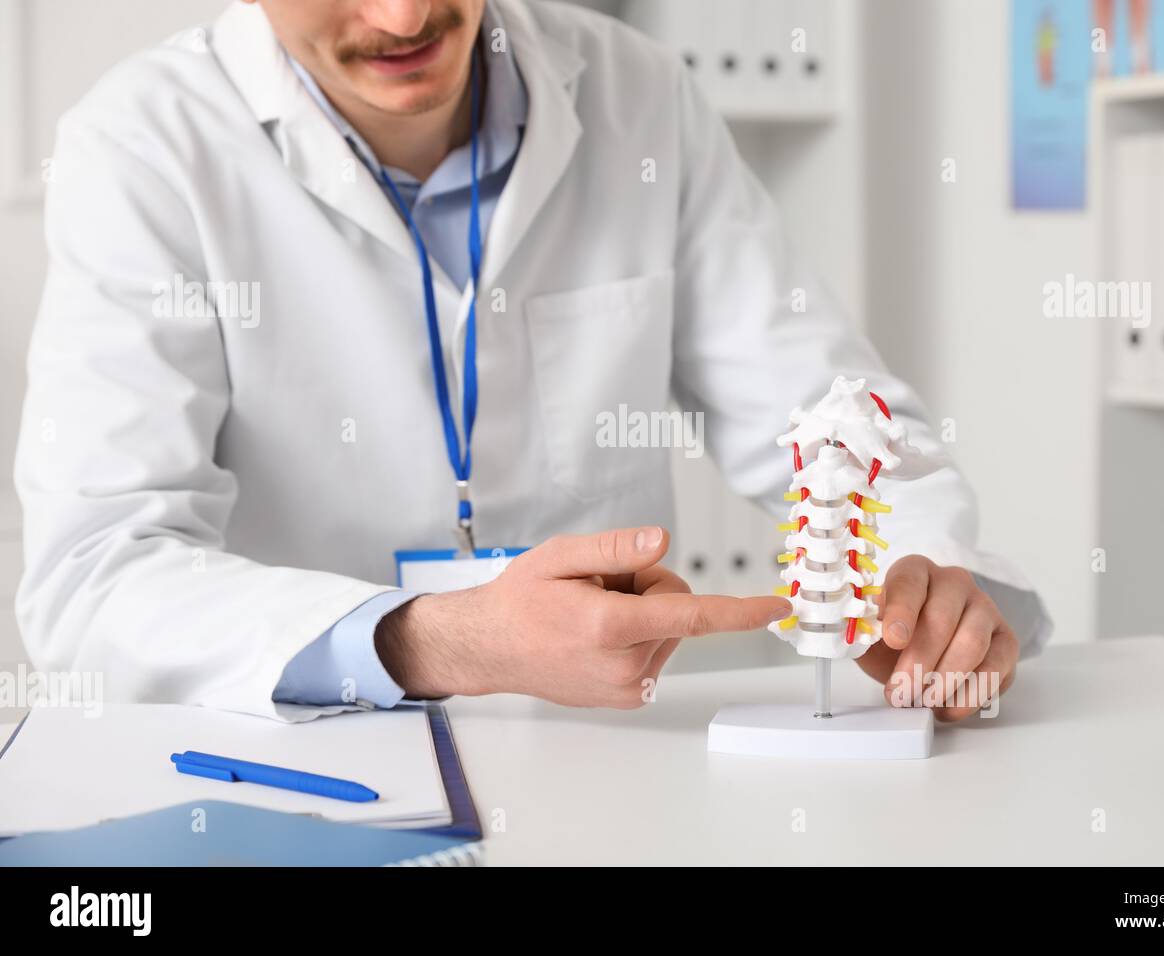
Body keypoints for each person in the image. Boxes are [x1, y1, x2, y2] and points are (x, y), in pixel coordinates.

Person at [15, 0, 1050, 723]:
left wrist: (930, 580)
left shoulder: (639, 95)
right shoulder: (143, 146)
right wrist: (439, 638)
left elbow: (830, 411)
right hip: (299, 773)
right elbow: (93, 573)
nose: (402, 17)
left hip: (607, 768)